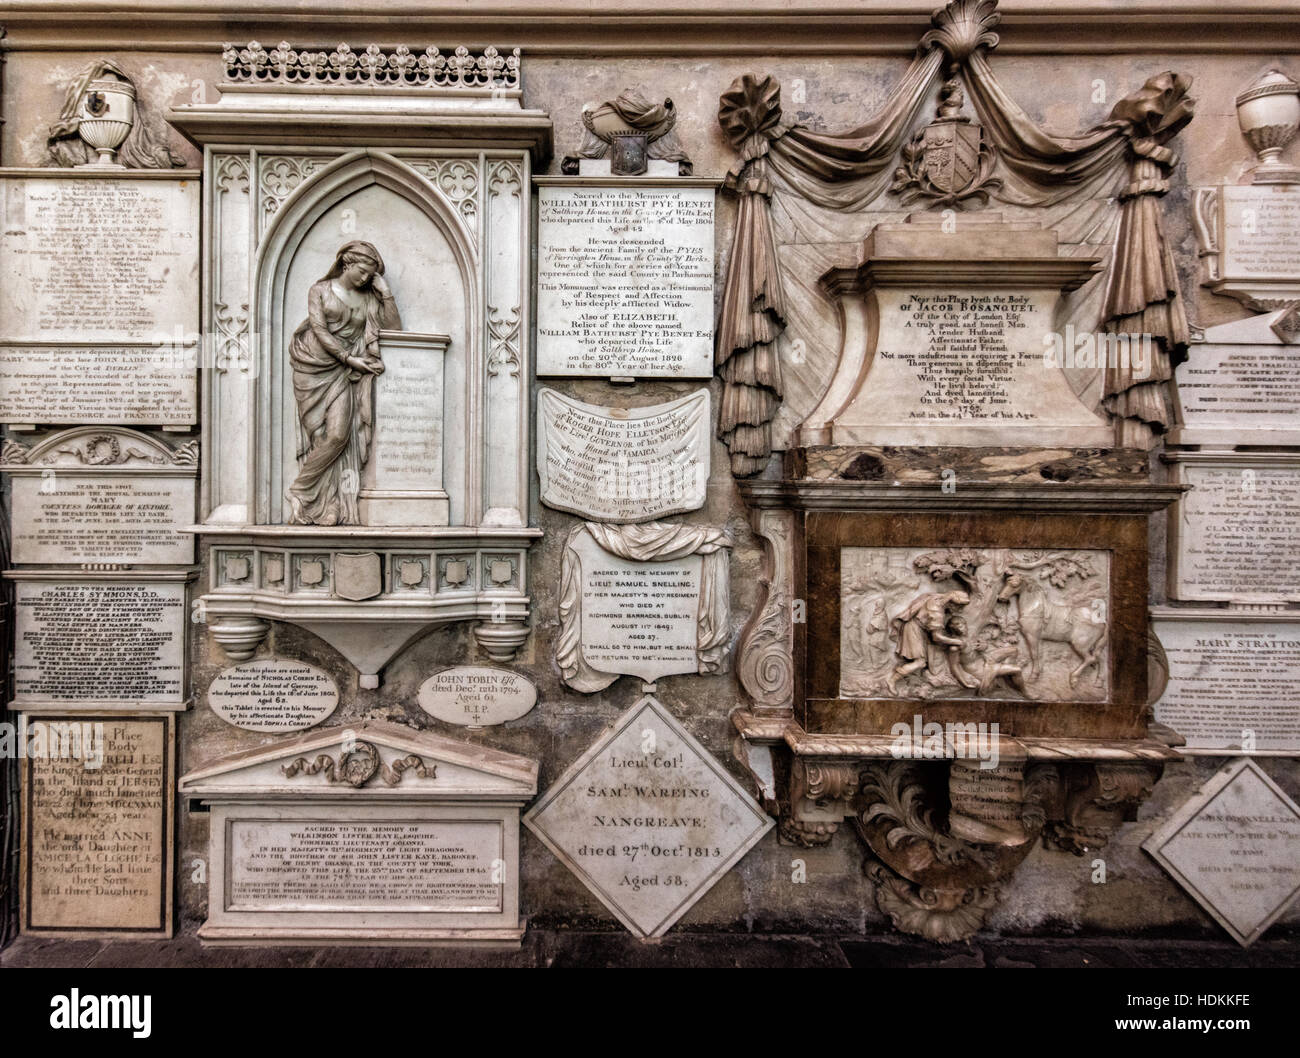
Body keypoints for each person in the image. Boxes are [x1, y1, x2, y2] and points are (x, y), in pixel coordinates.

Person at [285, 241, 400, 525]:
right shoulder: (320, 290)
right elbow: (319, 330)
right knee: (321, 436)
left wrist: (386, 294)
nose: (364, 279)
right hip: (314, 365)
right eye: (361, 271)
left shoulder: (369, 298)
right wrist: (349, 358)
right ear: (347, 264)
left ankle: (304, 490)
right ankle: (322, 503)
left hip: (344, 371)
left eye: (369, 275)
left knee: (338, 437)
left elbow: (394, 330)